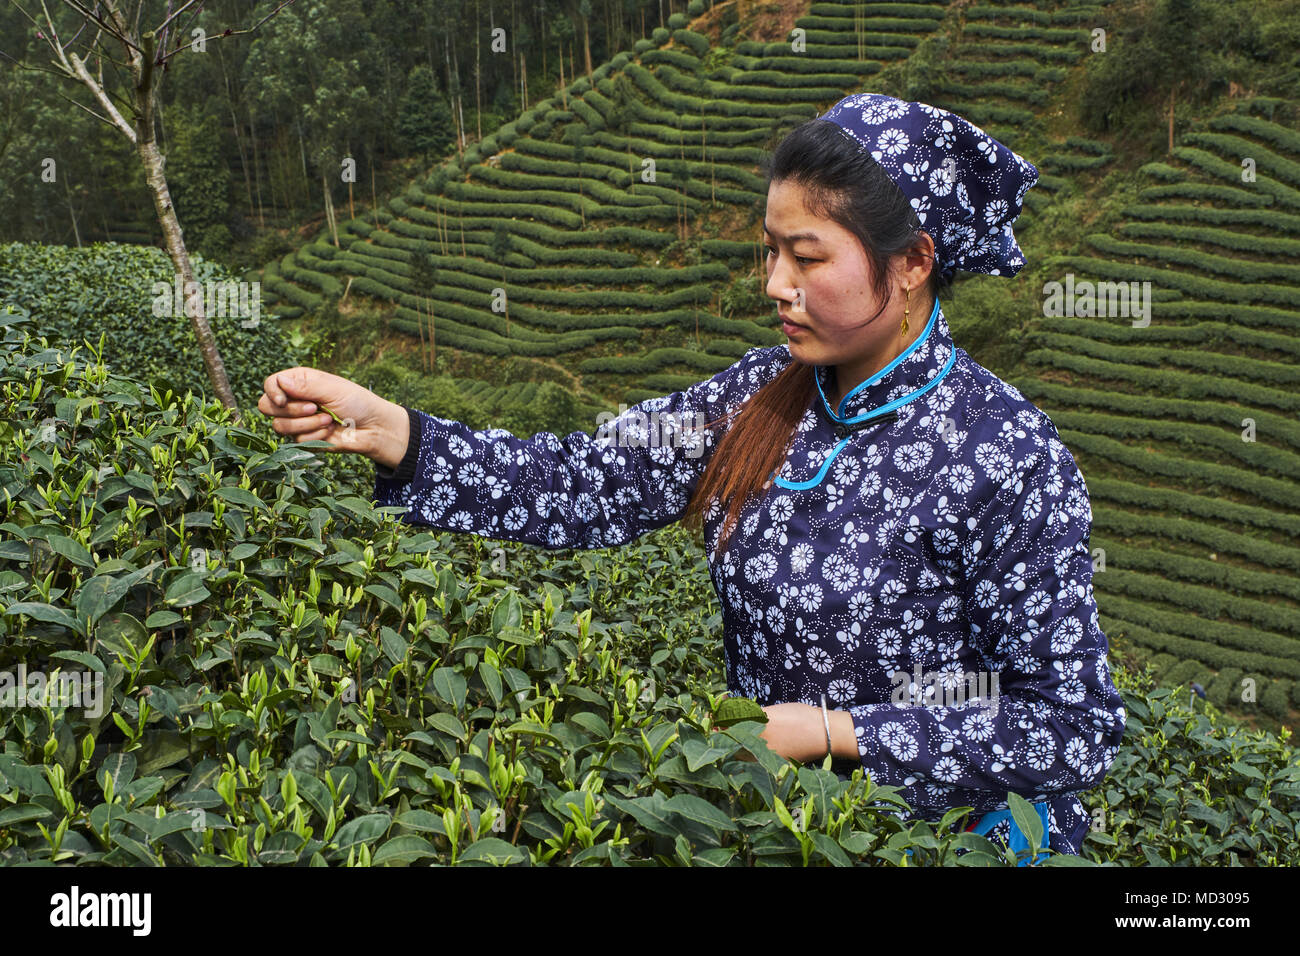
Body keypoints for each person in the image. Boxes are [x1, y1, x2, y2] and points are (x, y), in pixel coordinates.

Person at [258, 93, 1127, 862]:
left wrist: (839, 734)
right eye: (769, 251)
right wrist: (400, 434)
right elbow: (588, 480)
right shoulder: (756, 394)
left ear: (911, 263)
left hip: (937, 845)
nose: (775, 285)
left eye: (809, 257)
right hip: (775, 825)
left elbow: (1070, 725)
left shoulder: (1004, 452)